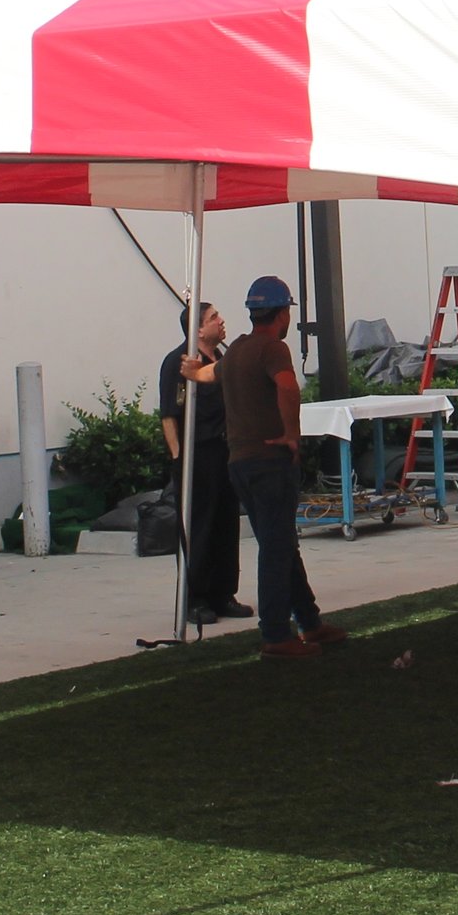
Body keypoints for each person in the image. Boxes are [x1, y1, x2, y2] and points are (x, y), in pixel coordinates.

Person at [219, 276, 345, 659]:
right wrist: (292, 434)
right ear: (282, 313)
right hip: (269, 462)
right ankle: (276, 634)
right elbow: (288, 387)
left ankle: (309, 621)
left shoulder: (236, 350)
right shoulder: (273, 348)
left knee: (282, 545)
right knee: (277, 550)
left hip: (240, 462)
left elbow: (211, 376)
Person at [160, 305, 248, 626]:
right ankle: (195, 598)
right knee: (199, 526)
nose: (221, 321)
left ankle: (223, 594)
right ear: (197, 329)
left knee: (227, 523)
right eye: (213, 318)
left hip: (226, 452)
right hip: (198, 454)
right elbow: (169, 415)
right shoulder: (179, 363)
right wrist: (178, 457)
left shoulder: (221, 360)